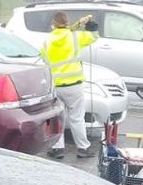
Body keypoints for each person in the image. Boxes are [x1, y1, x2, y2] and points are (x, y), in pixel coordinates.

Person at [40, 11, 99, 160]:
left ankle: (57, 148)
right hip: (74, 85)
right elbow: (93, 36)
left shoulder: (47, 41)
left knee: (58, 118)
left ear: (53, 24)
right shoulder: (74, 36)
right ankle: (83, 148)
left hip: (55, 86)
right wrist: (91, 26)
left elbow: (44, 60)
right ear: (67, 22)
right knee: (77, 118)